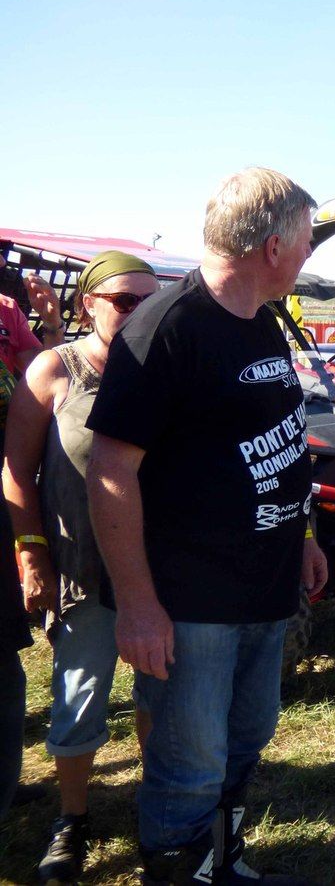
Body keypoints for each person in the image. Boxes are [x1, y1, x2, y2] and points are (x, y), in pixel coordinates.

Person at [86, 168, 327, 884]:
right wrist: (137, 604)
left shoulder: (263, 319)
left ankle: (224, 863)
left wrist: (304, 535)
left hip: (265, 586)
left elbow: (279, 436)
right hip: (191, 600)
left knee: (246, 740)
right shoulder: (166, 328)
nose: (309, 254)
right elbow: (110, 471)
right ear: (274, 246)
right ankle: (177, 869)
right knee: (189, 762)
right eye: (307, 241)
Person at [3, 251, 157, 883]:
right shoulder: (53, 370)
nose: (139, 313)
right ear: (88, 303)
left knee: (159, 690)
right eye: (125, 301)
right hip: (81, 568)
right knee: (78, 694)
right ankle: (72, 818)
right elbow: (16, 471)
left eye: (151, 301)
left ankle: (158, 800)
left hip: (156, 569)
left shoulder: (165, 367)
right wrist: (32, 553)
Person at [0, 273, 64, 823]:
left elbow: (34, 386)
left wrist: (51, 327)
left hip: (7, 492)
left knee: (4, 660)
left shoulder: (5, 311)